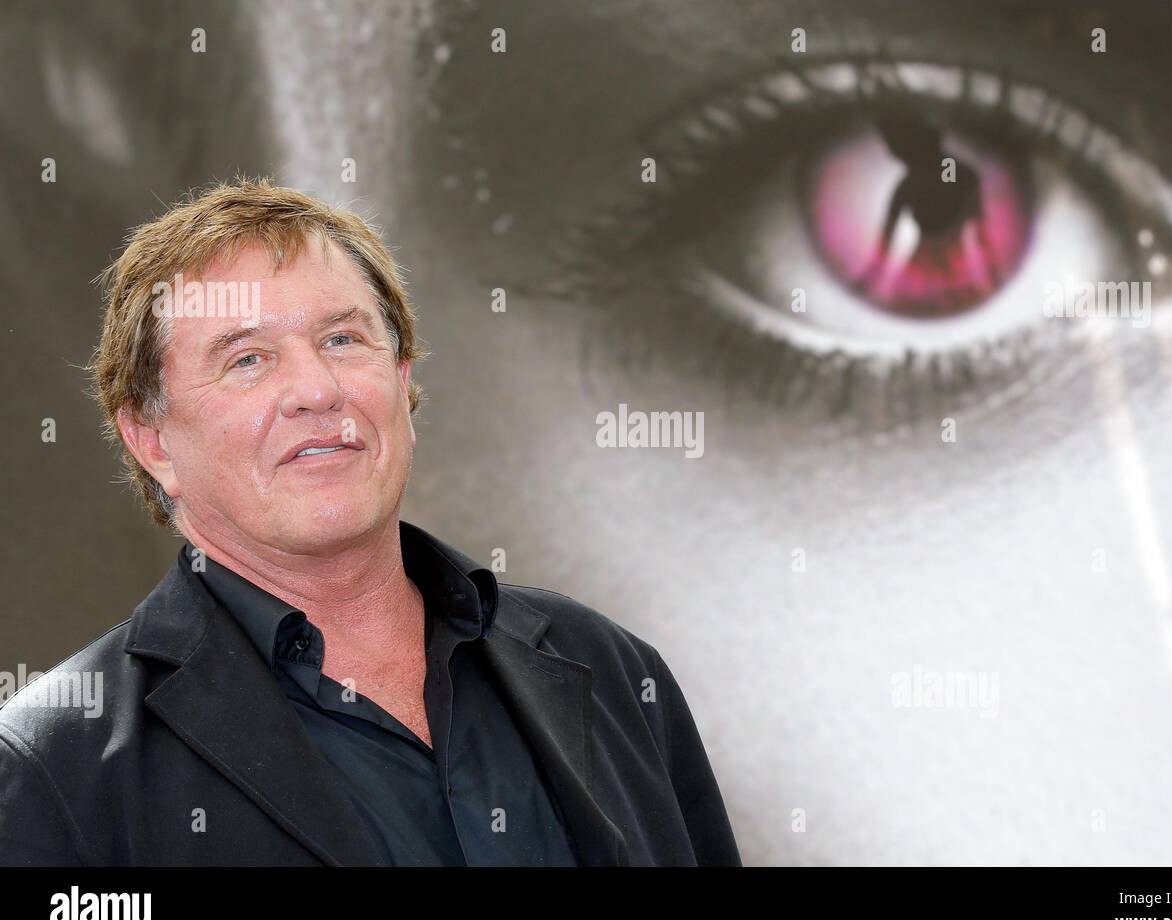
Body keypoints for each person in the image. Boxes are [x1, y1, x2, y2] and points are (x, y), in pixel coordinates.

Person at [0, 177, 742, 867]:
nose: (316, 390)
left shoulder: (609, 668)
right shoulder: (52, 769)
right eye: (248, 359)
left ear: (402, 380)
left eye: (343, 341)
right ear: (153, 441)